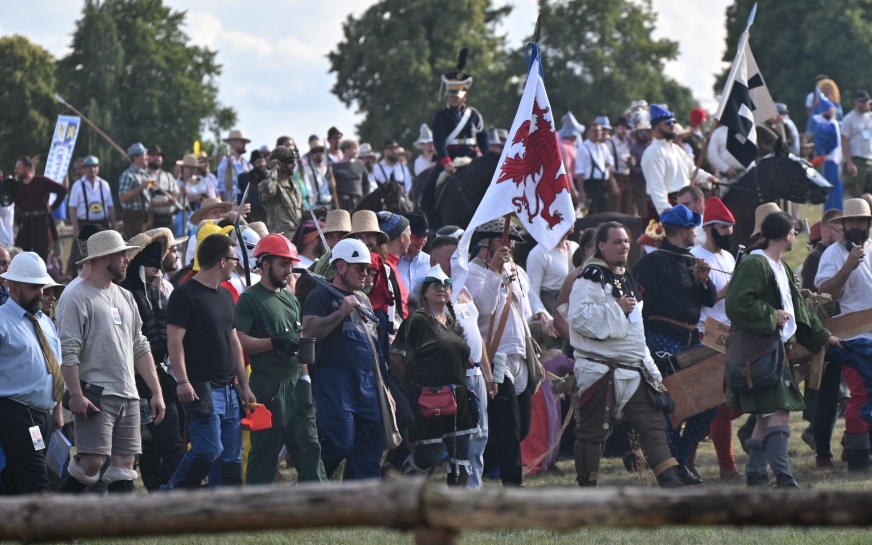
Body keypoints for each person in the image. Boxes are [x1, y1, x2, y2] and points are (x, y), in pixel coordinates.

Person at [559, 222, 682, 487]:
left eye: (626, 241)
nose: (624, 246)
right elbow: (578, 318)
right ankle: (587, 488)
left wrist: (650, 368)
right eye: (617, 241)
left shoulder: (625, 277)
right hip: (599, 370)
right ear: (601, 246)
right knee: (592, 434)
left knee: (652, 424)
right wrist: (616, 308)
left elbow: (635, 330)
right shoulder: (589, 276)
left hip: (633, 369)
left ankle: (670, 482)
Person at [728, 211, 840, 487]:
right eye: (793, 231)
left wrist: (823, 338)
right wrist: (771, 316)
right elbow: (737, 303)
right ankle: (785, 478)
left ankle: (756, 475)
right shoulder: (757, 264)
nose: (794, 235)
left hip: (775, 352)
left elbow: (799, 311)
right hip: (760, 354)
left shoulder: (781, 267)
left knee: (767, 417)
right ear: (787, 234)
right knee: (779, 411)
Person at [57, 231, 166, 493]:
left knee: (125, 465)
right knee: (92, 461)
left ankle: (122, 531)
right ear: (104, 258)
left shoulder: (125, 296)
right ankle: (53, 522)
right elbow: (68, 351)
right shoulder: (76, 296)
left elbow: (139, 346)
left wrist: (156, 391)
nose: (128, 259)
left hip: (128, 393)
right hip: (96, 395)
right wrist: (76, 394)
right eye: (122, 254)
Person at [164, 234, 257, 489]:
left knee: (230, 458)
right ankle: (172, 494)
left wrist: (244, 385)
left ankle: (222, 513)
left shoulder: (226, 296)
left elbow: (234, 342)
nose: (237, 263)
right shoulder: (184, 295)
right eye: (235, 259)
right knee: (208, 450)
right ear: (222, 261)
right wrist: (182, 380)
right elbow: (174, 342)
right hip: (201, 389)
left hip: (230, 390)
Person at [633, 204, 717, 486]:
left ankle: (678, 460)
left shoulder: (691, 260)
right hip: (661, 339)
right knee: (669, 406)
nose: (697, 234)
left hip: (691, 340)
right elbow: (641, 310)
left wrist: (704, 281)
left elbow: (709, 299)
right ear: (684, 231)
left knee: (709, 403)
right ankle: (670, 468)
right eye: (694, 229)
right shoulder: (651, 263)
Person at [236, 234, 327, 484]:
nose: (289, 270)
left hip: (297, 384)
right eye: (283, 264)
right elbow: (239, 340)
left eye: (290, 264)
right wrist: (274, 343)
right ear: (265, 264)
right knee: (264, 452)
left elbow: (300, 341)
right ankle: (256, 509)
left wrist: (306, 379)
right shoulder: (249, 299)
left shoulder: (290, 298)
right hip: (266, 387)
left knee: (309, 445)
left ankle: (320, 504)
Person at [466, 218, 545, 486]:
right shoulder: (471, 273)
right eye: (505, 239)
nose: (510, 245)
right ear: (487, 242)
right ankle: (513, 486)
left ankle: (480, 462)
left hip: (520, 353)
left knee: (521, 427)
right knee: (508, 427)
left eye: (512, 240)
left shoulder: (518, 272)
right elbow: (485, 309)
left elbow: (524, 308)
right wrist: (494, 271)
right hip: (494, 356)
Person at [302, 238, 384, 479]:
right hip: (336, 380)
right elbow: (310, 331)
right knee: (340, 440)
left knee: (369, 446)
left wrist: (385, 390)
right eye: (360, 268)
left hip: (368, 382)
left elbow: (373, 346)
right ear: (340, 268)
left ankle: (362, 505)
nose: (365, 274)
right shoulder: (320, 296)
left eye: (368, 269)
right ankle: (310, 486)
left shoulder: (365, 300)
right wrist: (341, 311)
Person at [390, 265, 476, 484]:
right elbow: (396, 357)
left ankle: (455, 511)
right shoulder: (418, 320)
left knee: (461, 457)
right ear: (424, 292)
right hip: (428, 398)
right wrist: (411, 386)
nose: (441, 289)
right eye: (434, 285)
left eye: (446, 285)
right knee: (426, 457)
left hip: (459, 396)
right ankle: (401, 493)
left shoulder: (451, 322)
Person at [428, 236, 495, 488]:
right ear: (434, 261)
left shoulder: (464, 289)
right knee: (457, 439)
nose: (457, 263)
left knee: (480, 435)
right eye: (450, 258)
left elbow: (477, 334)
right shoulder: (431, 293)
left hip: (476, 374)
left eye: (459, 257)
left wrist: (487, 374)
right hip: (452, 377)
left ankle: (473, 491)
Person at [118, 230, 183, 491]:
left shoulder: (159, 294)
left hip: (162, 377)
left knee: (170, 442)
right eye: (150, 259)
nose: (157, 265)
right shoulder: (123, 294)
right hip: (133, 381)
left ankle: (176, 494)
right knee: (131, 450)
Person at [0, 252, 64, 494]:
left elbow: (54, 366)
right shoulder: (2, 322)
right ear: (13, 287)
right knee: (38, 482)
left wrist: (56, 409)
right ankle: (58, 532)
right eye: (34, 287)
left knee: (16, 484)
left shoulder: (45, 323)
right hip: (16, 413)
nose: (41, 292)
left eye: (42, 286)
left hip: (42, 415)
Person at [816, 199, 872, 470]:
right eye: (851, 221)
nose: (856, 226)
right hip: (851, 336)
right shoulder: (833, 254)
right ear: (844, 226)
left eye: (861, 220)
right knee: (860, 394)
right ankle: (858, 458)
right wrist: (848, 266)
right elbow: (825, 296)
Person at [689, 197, 742, 480]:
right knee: (722, 406)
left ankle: (687, 447)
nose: (730, 233)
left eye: (731, 227)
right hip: (706, 334)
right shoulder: (694, 257)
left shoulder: (729, 258)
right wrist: (729, 291)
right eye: (724, 227)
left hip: (731, 335)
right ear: (709, 228)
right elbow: (699, 303)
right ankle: (728, 467)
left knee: (738, 401)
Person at [421, 48, 489, 214]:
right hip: (450, 159)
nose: (453, 98)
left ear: (464, 97)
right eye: (451, 95)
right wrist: (446, 162)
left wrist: (487, 160)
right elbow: (439, 142)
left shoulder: (474, 115)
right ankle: (430, 222)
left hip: (472, 158)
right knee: (428, 188)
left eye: (457, 96)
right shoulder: (441, 117)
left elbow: (483, 139)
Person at [641, 105, 719, 218]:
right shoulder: (653, 152)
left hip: (687, 202)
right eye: (667, 122)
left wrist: (708, 177)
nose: (672, 125)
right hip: (671, 206)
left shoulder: (676, 149)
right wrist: (666, 211)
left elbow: (692, 170)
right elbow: (656, 186)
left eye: (673, 121)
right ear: (656, 128)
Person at [13, 156, 67, 260]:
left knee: (41, 258)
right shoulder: (17, 186)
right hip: (26, 224)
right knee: (22, 255)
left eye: (18, 168)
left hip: (41, 224)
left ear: (27, 169)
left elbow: (62, 191)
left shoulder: (42, 181)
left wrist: (53, 206)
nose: (16, 171)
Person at [526, 226, 579, 317]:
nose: (573, 220)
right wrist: (543, 313)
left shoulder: (575, 247)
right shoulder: (538, 253)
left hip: (574, 309)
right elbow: (532, 291)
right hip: (552, 311)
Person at [256, 146, 305, 242]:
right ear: (279, 163)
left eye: (294, 161)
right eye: (290, 161)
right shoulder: (271, 184)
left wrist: (317, 214)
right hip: (281, 239)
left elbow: (302, 214)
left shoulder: (295, 186)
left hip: (297, 237)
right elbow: (269, 190)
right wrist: (274, 170)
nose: (294, 164)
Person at [68, 155, 116, 236]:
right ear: (84, 169)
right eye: (89, 167)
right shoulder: (77, 185)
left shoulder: (104, 184)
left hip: (103, 225)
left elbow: (110, 208)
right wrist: (76, 230)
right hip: (85, 226)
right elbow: (72, 209)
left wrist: (114, 227)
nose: (92, 169)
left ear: (98, 168)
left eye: (95, 166)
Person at [813, 92, 844, 211]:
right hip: (829, 162)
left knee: (837, 189)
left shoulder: (829, 124)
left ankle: (837, 211)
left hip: (835, 162)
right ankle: (831, 212)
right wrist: (832, 118)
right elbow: (833, 138)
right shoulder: (821, 126)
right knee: (832, 189)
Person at [574, 121, 614, 215]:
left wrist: (605, 171)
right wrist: (581, 190)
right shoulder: (583, 148)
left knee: (602, 210)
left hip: (602, 184)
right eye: (595, 131)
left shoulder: (603, 147)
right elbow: (579, 171)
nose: (598, 133)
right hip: (590, 184)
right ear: (588, 132)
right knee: (589, 212)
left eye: (599, 131)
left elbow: (610, 162)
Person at [118, 143, 155, 238]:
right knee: (137, 249)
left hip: (147, 216)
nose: (147, 157)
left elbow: (152, 188)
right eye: (145, 155)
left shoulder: (145, 175)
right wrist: (141, 187)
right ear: (136, 157)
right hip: (133, 219)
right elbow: (123, 198)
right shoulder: (127, 175)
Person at [802, 209, 843, 291]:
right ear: (825, 231)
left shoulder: (844, 252)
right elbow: (809, 296)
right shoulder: (814, 259)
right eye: (841, 230)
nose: (845, 234)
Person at [841, 90, 872, 198]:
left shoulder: (870, 117)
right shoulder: (849, 119)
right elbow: (844, 142)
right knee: (857, 197)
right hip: (857, 160)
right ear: (856, 102)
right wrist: (849, 163)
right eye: (862, 102)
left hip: (870, 159)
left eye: (867, 102)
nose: (865, 104)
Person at [146, 145, 181, 229]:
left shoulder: (168, 176)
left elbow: (177, 194)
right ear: (147, 157)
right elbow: (147, 199)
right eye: (153, 155)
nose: (156, 158)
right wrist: (166, 203)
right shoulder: (144, 176)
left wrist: (175, 199)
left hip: (168, 220)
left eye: (158, 156)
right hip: (151, 220)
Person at [605, 117, 635, 215]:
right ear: (616, 128)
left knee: (628, 209)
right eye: (622, 128)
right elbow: (607, 166)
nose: (624, 131)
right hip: (615, 177)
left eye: (626, 128)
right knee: (615, 209)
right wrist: (613, 184)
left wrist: (632, 162)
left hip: (626, 178)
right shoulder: (609, 143)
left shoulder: (627, 143)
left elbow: (632, 161)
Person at [398, 212, 431, 296]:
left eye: (424, 237)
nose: (421, 242)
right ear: (404, 236)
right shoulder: (391, 262)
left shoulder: (431, 262)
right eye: (417, 237)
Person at [332, 139, 369, 211]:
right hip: (342, 203)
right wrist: (330, 185)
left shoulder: (360, 164)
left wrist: (364, 199)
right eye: (354, 148)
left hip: (358, 202)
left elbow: (366, 183)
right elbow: (330, 189)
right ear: (346, 149)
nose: (356, 151)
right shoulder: (335, 167)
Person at [216, 130, 252, 203]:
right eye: (242, 142)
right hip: (233, 203)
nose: (245, 144)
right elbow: (222, 189)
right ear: (233, 145)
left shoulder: (248, 163)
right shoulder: (224, 164)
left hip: (248, 202)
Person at [558, 112, 585, 206]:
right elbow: (567, 170)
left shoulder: (570, 145)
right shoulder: (564, 147)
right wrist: (572, 189)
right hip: (569, 183)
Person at [629, 110, 653, 216]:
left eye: (645, 131)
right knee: (644, 213)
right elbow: (634, 169)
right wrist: (648, 169)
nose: (643, 134)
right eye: (640, 132)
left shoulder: (654, 147)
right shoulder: (634, 150)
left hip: (654, 184)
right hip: (641, 185)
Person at [302, 136, 332, 208]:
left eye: (321, 150)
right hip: (315, 207)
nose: (318, 153)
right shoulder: (306, 170)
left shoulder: (328, 169)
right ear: (311, 154)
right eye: (315, 151)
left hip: (329, 205)